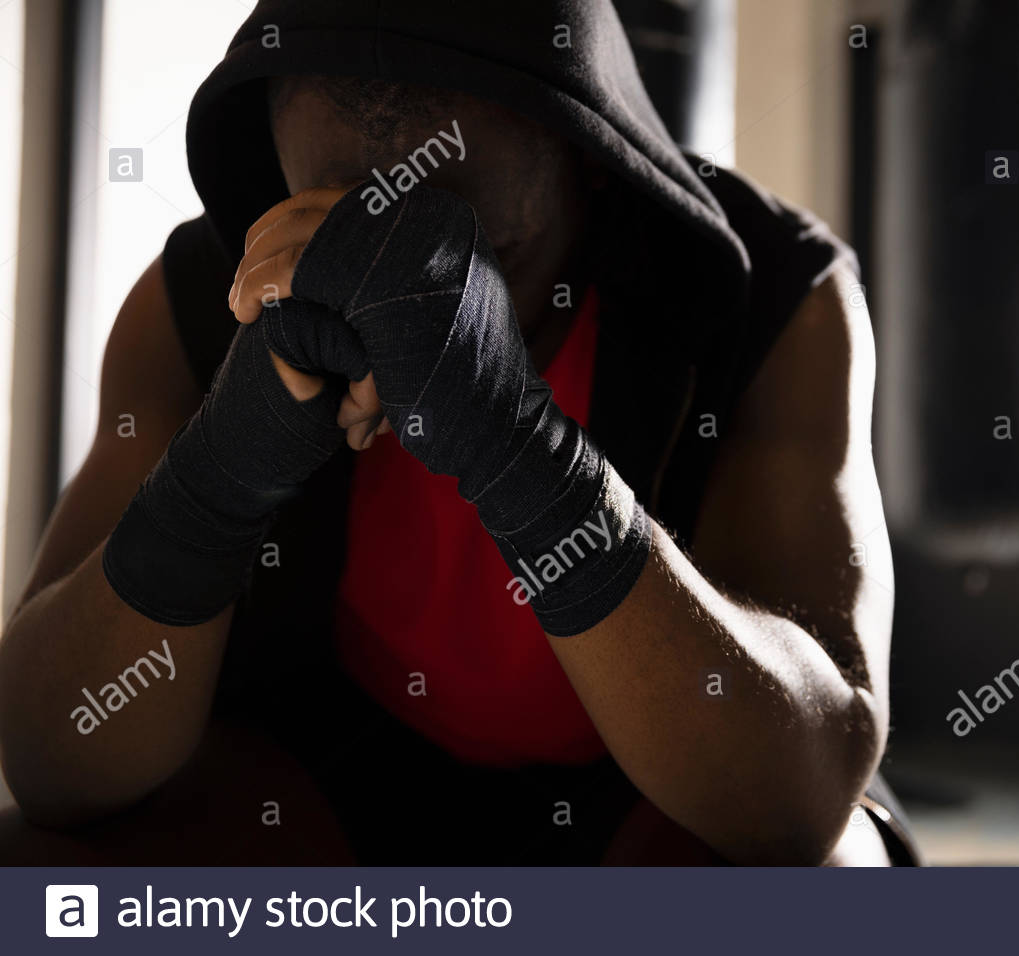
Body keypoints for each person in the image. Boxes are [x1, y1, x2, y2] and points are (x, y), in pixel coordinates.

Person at [0, 0, 917, 866]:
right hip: (330, 784)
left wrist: (516, 447)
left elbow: (800, 797)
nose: (384, 299)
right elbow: (46, 760)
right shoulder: (205, 299)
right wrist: (221, 475)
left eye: (481, 252)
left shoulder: (774, 294)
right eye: (337, 229)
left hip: (653, 807)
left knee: (827, 893)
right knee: (41, 877)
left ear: (589, 154)